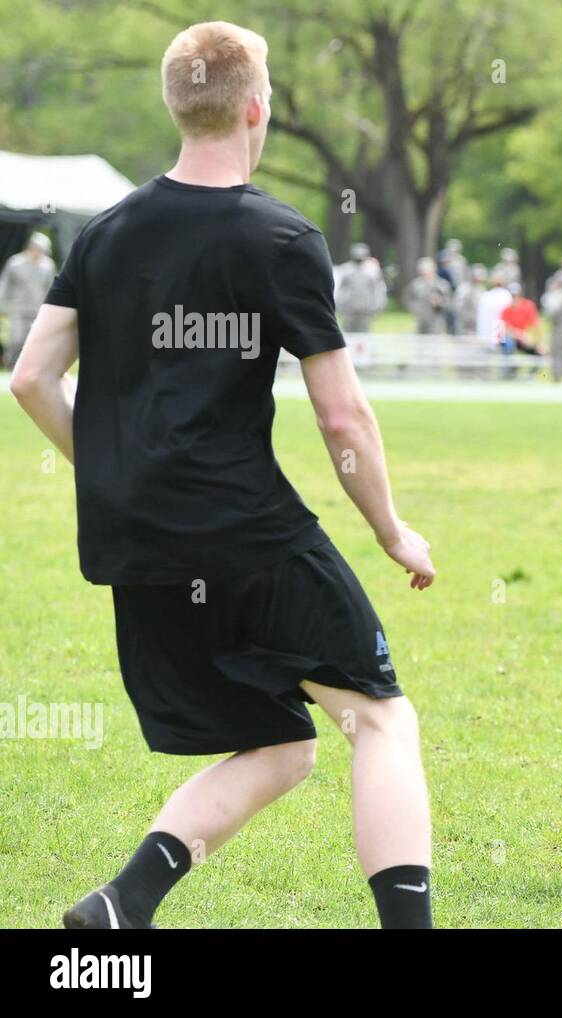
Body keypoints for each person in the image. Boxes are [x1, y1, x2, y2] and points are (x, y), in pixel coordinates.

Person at [9, 20, 437, 928]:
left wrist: (114, 469)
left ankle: (122, 905)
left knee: (281, 745)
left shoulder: (106, 233)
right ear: (256, 108)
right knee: (380, 720)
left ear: (178, 105)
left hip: (137, 542)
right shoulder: (280, 238)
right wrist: (391, 529)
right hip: (241, 529)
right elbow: (341, 415)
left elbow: (31, 377)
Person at [0, 233, 56, 369]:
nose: (40, 253)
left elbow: (51, 288)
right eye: (38, 250)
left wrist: (51, 309)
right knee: (16, 339)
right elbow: (5, 284)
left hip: (38, 308)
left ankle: (28, 367)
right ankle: (10, 365)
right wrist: (1, 305)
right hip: (18, 307)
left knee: (33, 340)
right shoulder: (15, 263)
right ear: (31, 248)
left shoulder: (48, 265)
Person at [335, 242, 387, 333]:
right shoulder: (345, 270)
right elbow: (341, 290)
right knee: (348, 335)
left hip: (366, 309)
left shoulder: (372, 271)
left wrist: (378, 306)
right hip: (349, 309)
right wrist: (339, 306)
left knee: (364, 336)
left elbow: (378, 290)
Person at [499, 283, 544, 378]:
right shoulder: (506, 309)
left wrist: (539, 342)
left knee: (540, 352)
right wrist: (519, 334)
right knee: (509, 343)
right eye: (513, 296)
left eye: (516, 295)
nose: (515, 298)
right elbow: (505, 328)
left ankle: (530, 376)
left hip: (523, 339)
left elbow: (536, 325)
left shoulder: (528, 306)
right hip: (512, 338)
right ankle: (508, 373)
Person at [403, 256, 451, 334]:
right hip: (420, 322)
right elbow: (407, 299)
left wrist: (440, 303)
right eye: (423, 271)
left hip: (436, 323)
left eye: (427, 270)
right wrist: (415, 308)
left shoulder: (442, 285)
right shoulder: (415, 284)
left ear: (433, 270)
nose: (425, 273)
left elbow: (449, 303)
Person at [454, 263, 487, 337]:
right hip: (464, 327)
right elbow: (458, 308)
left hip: (477, 326)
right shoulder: (463, 288)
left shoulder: (482, 289)